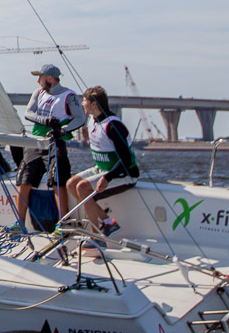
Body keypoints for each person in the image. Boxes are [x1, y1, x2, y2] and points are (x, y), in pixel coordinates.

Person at [15, 63, 83, 228]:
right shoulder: (38, 93)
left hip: (56, 142)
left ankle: (63, 224)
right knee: (24, 180)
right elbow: (28, 113)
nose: (38, 80)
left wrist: (62, 129)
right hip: (36, 141)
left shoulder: (69, 95)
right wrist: (45, 120)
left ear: (50, 79)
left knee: (57, 182)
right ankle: (19, 223)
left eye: (41, 77)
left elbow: (80, 118)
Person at [67, 86, 140, 234]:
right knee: (71, 184)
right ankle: (107, 221)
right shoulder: (92, 120)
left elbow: (126, 159)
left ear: (94, 104)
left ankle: (95, 238)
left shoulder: (113, 126)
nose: (82, 103)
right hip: (101, 169)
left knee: (82, 187)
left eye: (84, 100)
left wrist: (107, 177)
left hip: (123, 174)